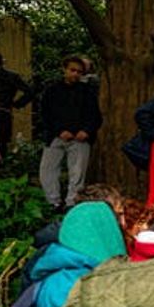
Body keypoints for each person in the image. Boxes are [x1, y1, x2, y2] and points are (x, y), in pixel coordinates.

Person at [38, 55, 102, 211]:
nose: (75, 74)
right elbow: (45, 114)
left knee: (78, 173)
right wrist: (59, 131)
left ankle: (72, 203)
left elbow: (96, 116)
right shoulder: (51, 91)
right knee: (47, 170)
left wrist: (86, 131)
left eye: (79, 72)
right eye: (72, 70)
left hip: (80, 138)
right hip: (55, 136)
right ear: (64, 69)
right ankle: (52, 202)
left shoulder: (87, 92)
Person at [0, 49, 33, 155]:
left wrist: (17, 104)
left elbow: (29, 92)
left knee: (0, 143)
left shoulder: (11, 76)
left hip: (2, 113)